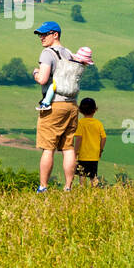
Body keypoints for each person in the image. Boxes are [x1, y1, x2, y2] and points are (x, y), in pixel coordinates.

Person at [31, 21, 80, 191]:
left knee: (48, 148)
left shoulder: (47, 54)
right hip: (72, 105)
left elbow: (44, 79)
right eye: (40, 34)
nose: (41, 37)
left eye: (45, 34)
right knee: (68, 147)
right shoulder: (69, 53)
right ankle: (68, 188)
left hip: (53, 105)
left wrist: (35, 73)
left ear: (55, 34)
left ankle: (43, 187)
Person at [38, 45, 94, 111]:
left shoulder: (69, 63)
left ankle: (46, 103)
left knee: (52, 86)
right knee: (75, 91)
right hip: (72, 91)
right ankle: (75, 103)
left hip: (61, 84)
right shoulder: (81, 67)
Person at [72, 96, 106, 185]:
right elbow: (103, 138)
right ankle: (95, 192)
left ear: (81, 110)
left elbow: (78, 138)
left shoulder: (80, 123)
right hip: (94, 154)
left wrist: (75, 152)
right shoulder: (98, 123)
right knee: (93, 175)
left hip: (83, 154)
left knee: (82, 175)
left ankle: (83, 191)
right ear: (95, 110)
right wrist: (100, 150)